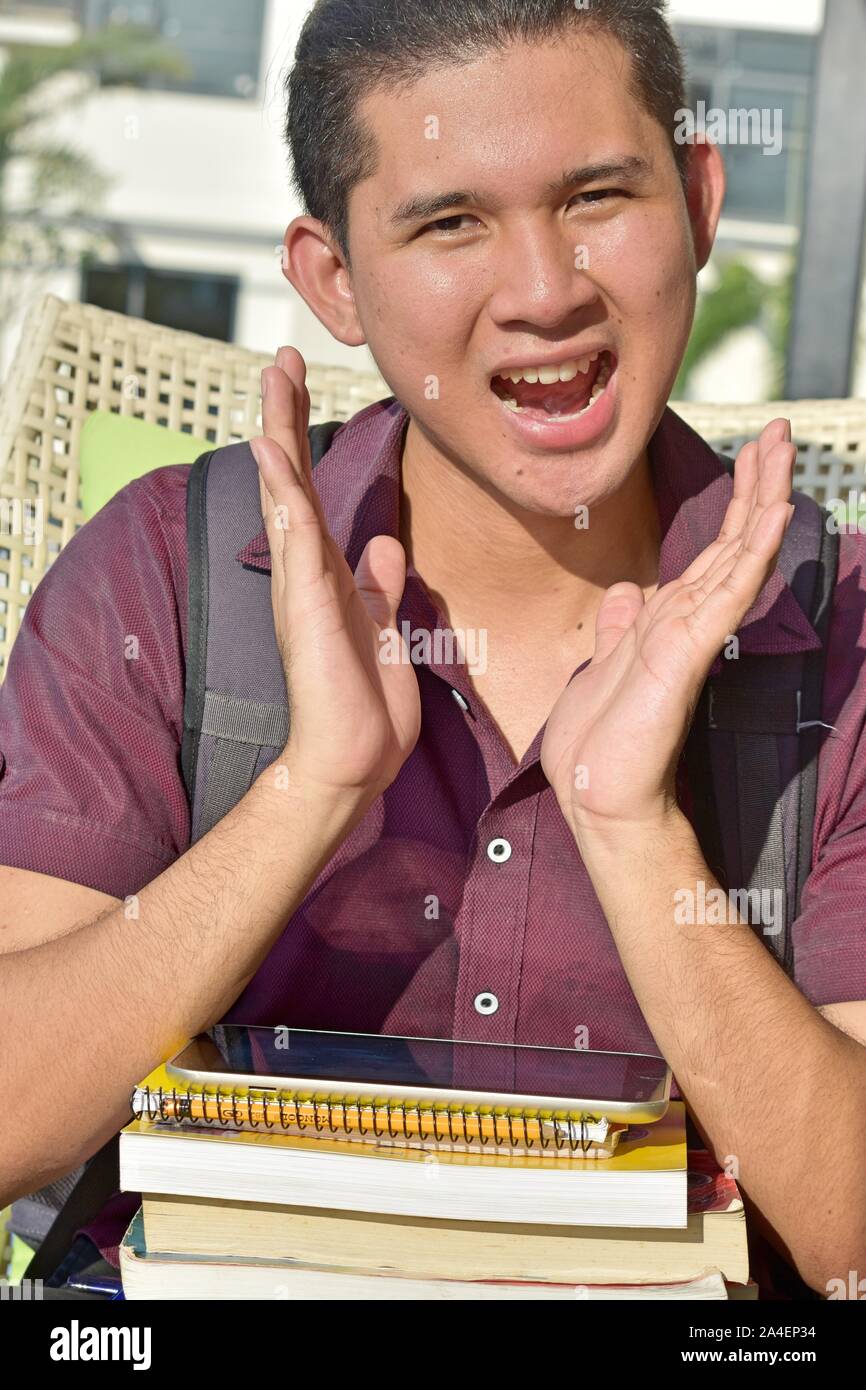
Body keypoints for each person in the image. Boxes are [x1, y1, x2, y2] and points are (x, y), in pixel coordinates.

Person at [1, 0, 865, 1300]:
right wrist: (311, 789)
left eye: (595, 197)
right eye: (450, 221)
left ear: (696, 199)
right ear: (333, 277)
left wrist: (633, 833)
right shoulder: (166, 572)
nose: (542, 290)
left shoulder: (840, 639)